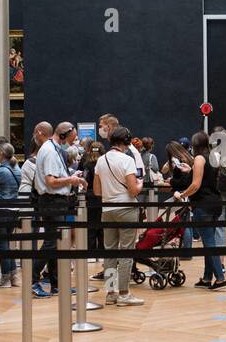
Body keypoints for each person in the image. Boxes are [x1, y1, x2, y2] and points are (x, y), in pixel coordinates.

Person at [31, 121, 84, 299]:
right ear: (63, 135)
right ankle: (32, 280)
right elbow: (51, 182)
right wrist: (71, 180)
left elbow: (56, 176)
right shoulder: (50, 151)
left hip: (56, 201)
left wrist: (70, 176)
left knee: (57, 243)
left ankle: (56, 284)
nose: (73, 142)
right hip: (52, 201)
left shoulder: (53, 149)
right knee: (51, 243)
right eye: (72, 138)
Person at [94, 125, 144, 306]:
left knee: (110, 252)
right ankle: (124, 294)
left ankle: (110, 293)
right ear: (127, 141)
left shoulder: (101, 160)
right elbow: (133, 190)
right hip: (126, 209)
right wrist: (140, 184)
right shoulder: (127, 160)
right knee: (126, 252)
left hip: (107, 210)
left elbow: (97, 190)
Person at [177, 131, 226, 289]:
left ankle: (220, 278)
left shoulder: (199, 158)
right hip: (215, 202)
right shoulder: (212, 156)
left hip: (203, 204)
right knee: (207, 241)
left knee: (209, 243)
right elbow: (206, 177)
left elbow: (196, 184)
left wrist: (183, 195)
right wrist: (188, 170)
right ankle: (206, 278)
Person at [0, 143, 20, 288]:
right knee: (6, 243)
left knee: (1, 244)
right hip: (13, 210)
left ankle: (5, 277)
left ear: (1, 153)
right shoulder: (17, 169)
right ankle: (13, 275)